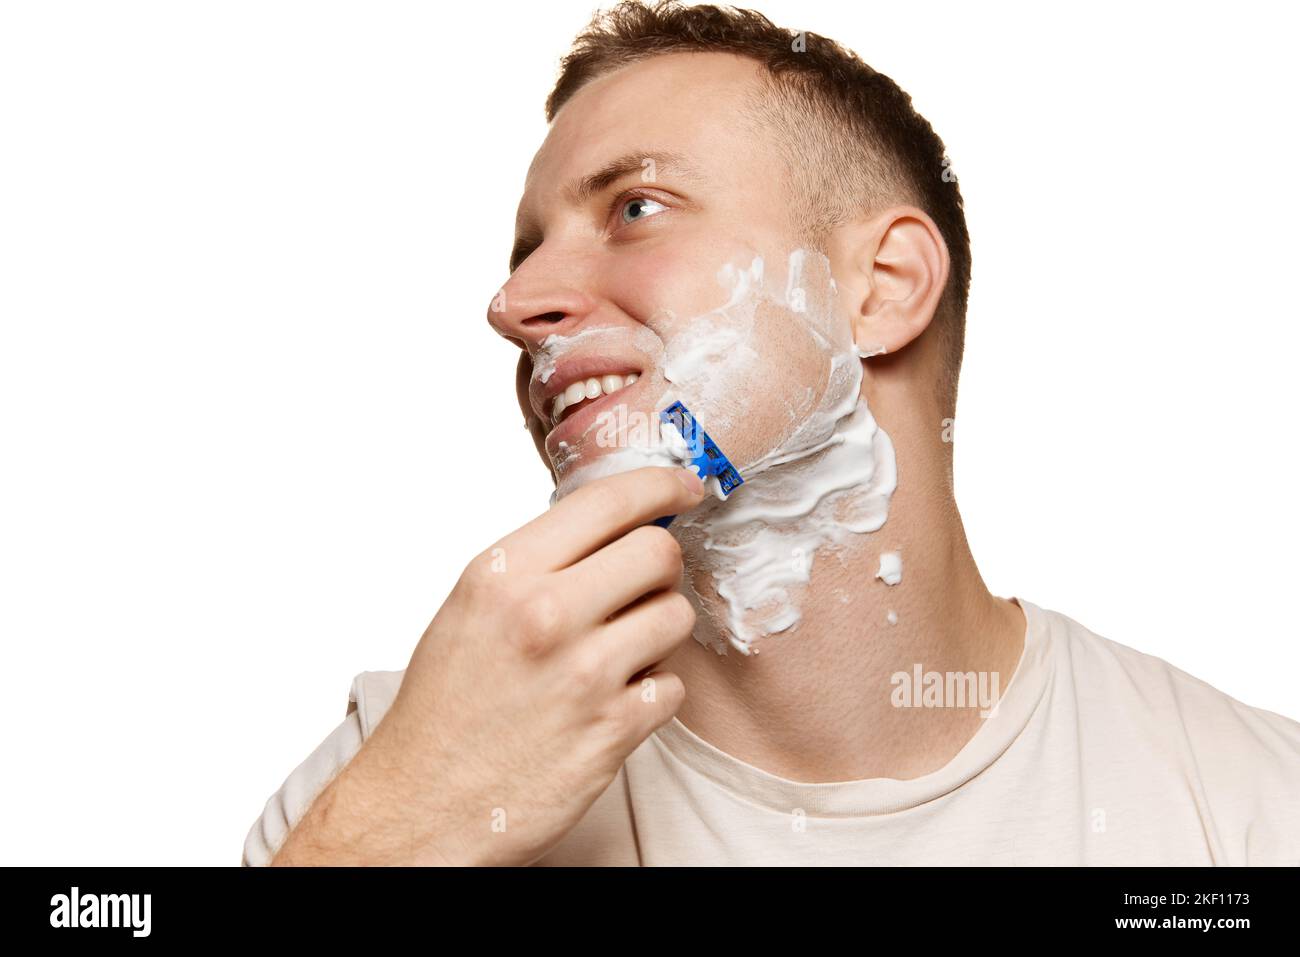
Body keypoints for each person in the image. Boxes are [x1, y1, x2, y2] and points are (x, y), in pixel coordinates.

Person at [243, 0, 1300, 866]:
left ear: (880, 289)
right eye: (527, 248)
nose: (514, 301)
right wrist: (402, 825)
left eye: (635, 209)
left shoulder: (1250, 806)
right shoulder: (384, 777)